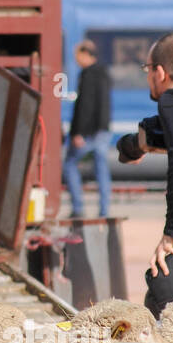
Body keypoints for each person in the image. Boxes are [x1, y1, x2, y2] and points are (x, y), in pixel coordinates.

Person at [126, 31, 173, 280]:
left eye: (148, 68)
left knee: (164, 287)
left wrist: (172, 232)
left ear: (161, 72)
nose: (148, 76)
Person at [63, 39, 112, 219]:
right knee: (101, 170)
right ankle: (104, 210)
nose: (75, 60)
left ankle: (77, 207)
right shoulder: (104, 73)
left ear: (85, 54)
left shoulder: (87, 74)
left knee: (69, 165)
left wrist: (78, 132)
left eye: (77, 55)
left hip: (88, 132)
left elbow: (85, 106)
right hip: (103, 129)